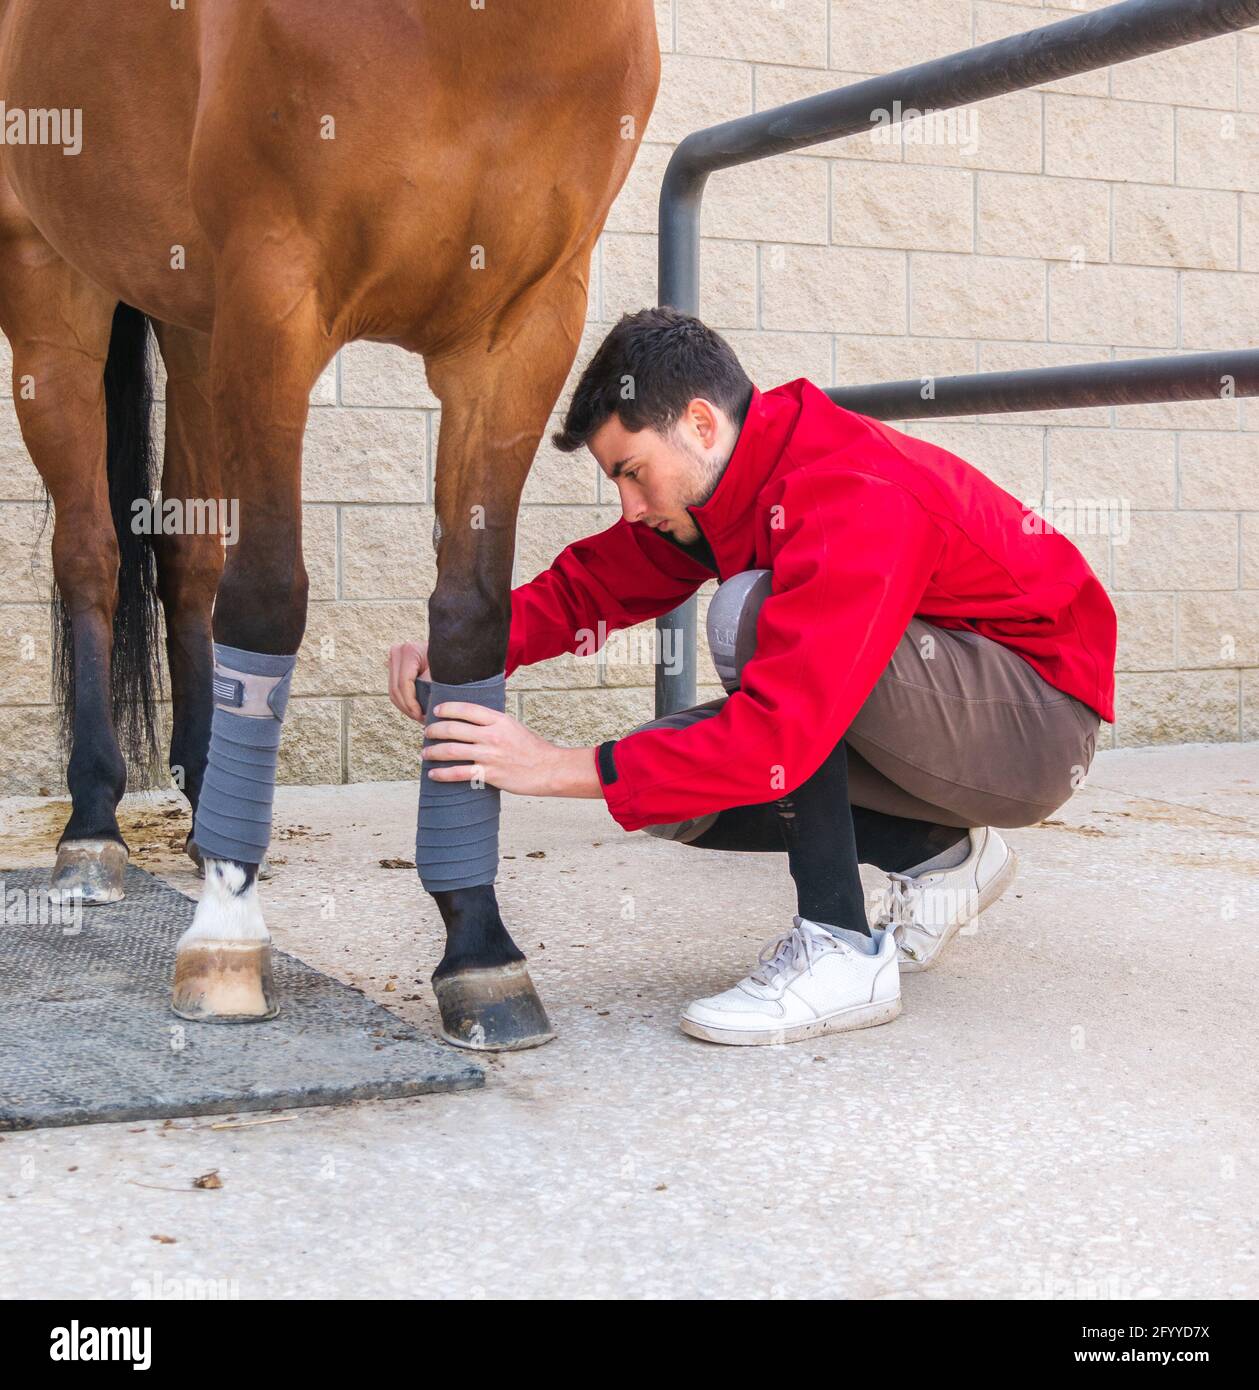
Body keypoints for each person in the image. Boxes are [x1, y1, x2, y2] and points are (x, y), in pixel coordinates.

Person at [388, 307, 1115, 1047]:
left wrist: (551, 767)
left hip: (1035, 726)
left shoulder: (848, 488)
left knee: (745, 616)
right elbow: (593, 588)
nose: (631, 507)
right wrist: (461, 644)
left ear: (700, 423)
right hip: (947, 718)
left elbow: (781, 729)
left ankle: (841, 952)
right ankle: (937, 853)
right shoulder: (729, 485)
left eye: (633, 474)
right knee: (672, 792)